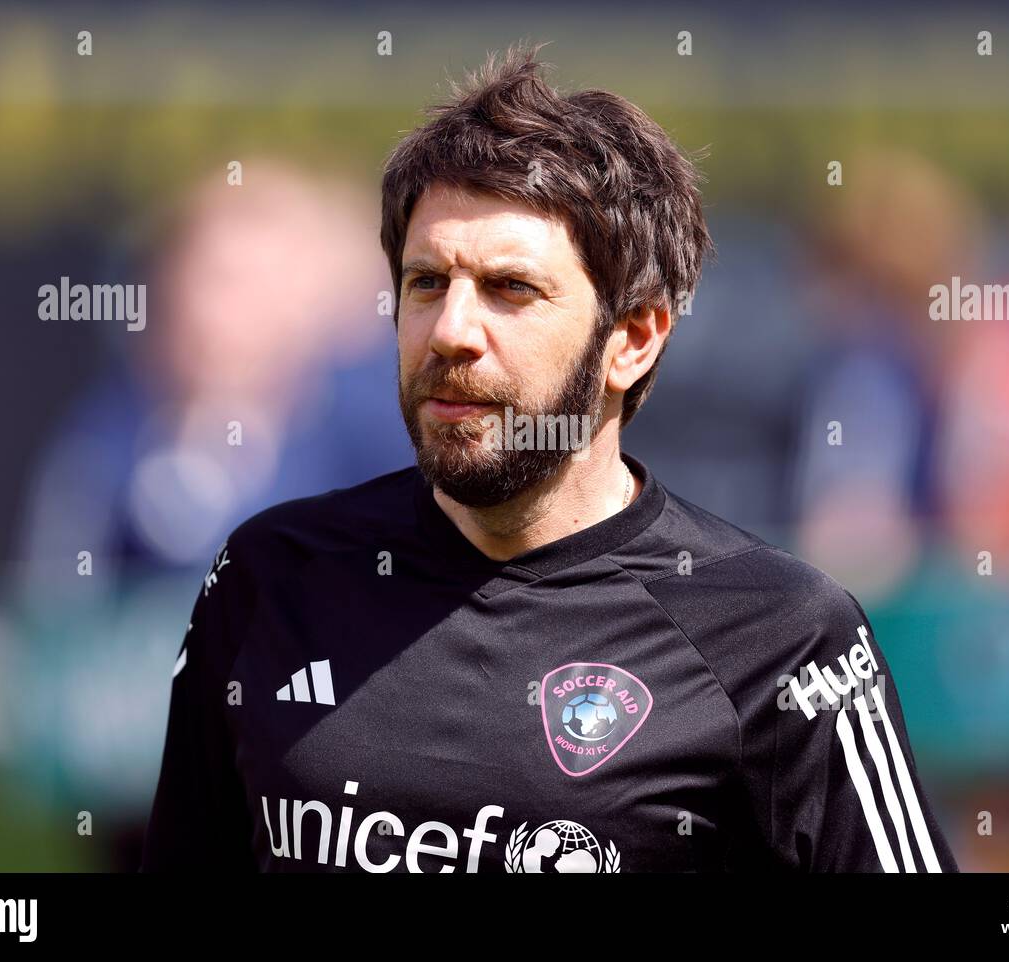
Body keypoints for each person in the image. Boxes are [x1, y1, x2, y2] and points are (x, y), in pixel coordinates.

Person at [141, 44, 958, 873]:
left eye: (510, 290)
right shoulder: (271, 576)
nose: (452, 331)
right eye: (427, 283)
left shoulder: (781, 634)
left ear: (631, 340)